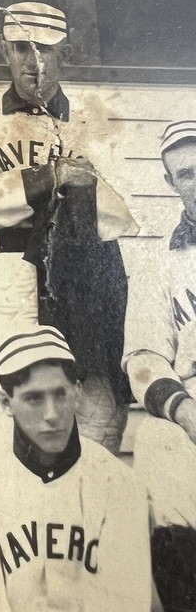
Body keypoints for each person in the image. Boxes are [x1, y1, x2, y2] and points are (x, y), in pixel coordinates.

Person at [0, 1, 138, 456]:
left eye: (47, 51)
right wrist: (51, 178)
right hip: (4, 273)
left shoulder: (96, 122)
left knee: (89, 407)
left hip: (79, 276)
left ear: (64, 56)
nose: (34, 64)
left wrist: (81, 187)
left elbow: (119, 215)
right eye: (21, 49)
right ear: (3, 52)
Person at [0, 325, 151, 612]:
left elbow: (124, 603)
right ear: (6, 402)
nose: (52, 414)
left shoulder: (118, 484)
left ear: (77, 392)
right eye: (34, 398)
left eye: (61, 394)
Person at [123, 119, 196, 612]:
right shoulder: (160, 267)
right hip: (194, 405)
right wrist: (185, 409)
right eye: (187, 174)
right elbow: (144, 356)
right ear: (171, 185)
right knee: (157, 441)